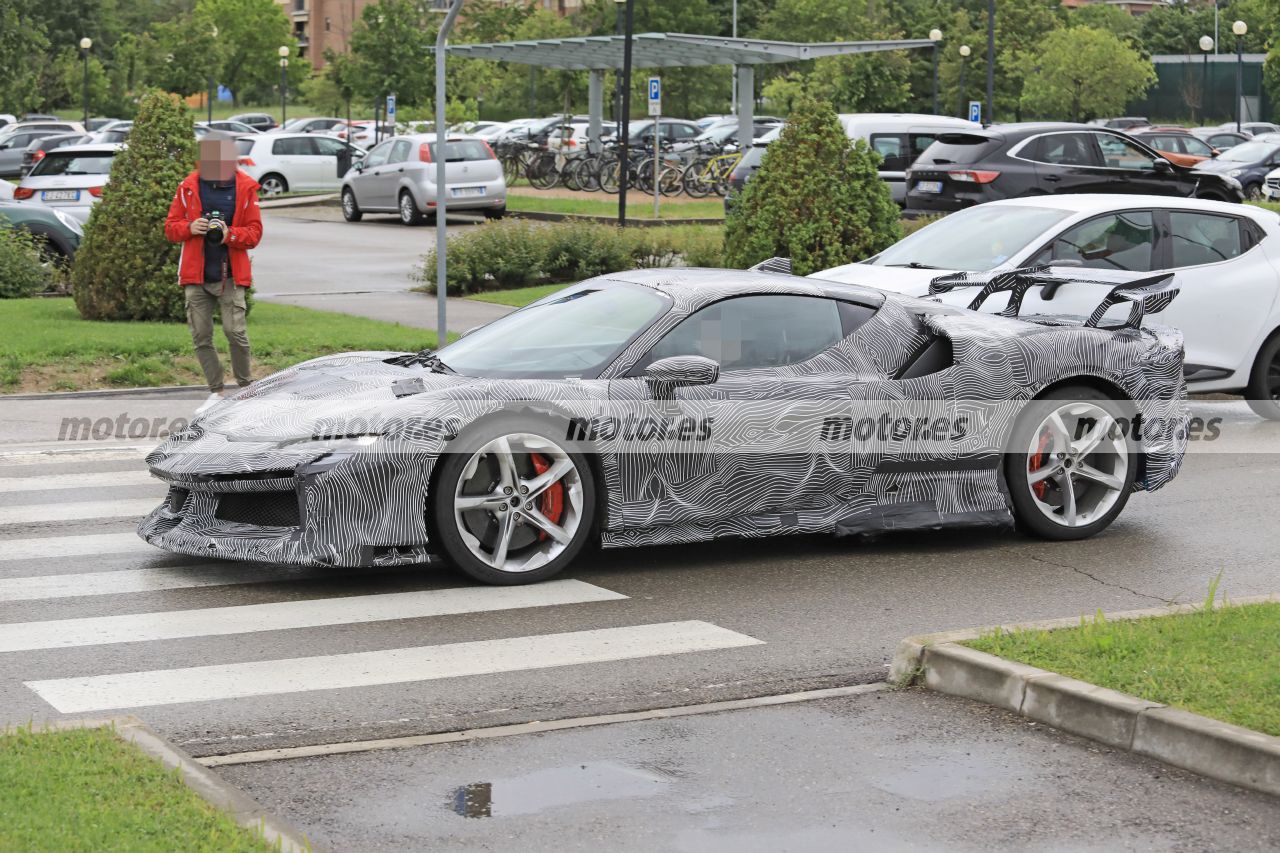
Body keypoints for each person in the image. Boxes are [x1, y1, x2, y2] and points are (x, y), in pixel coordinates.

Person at [164, 138, 263, 413]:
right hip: (195, 276)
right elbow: (171, 228)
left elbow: (255, 234)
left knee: (236, 333)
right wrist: (190, 227)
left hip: (230, 275)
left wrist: (229, 233)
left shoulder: (244, 188)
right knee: (201, 336)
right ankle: (216, 392)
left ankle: (246, 389)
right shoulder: (188, 187)